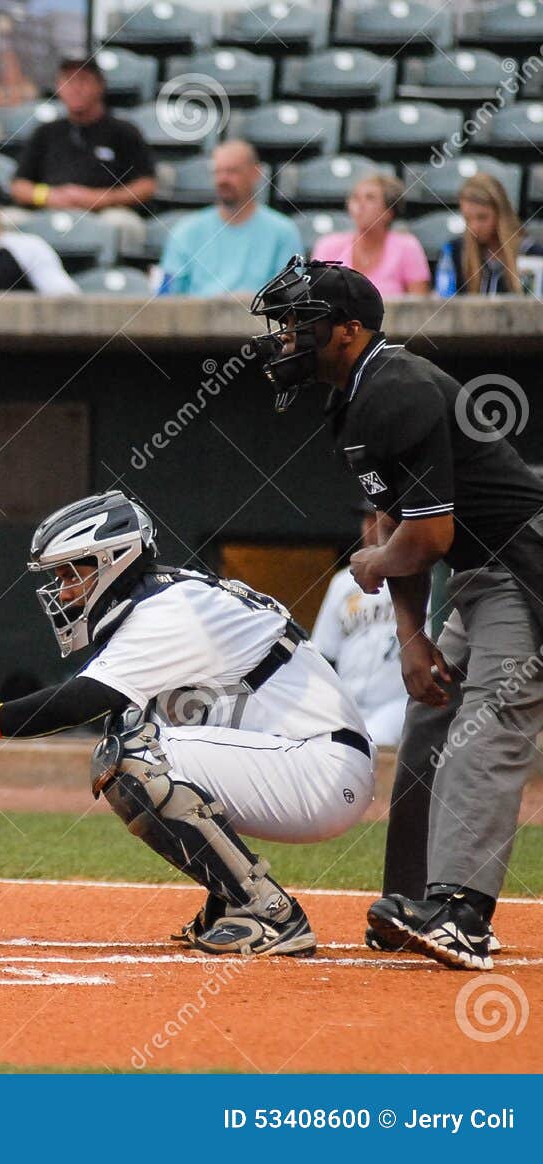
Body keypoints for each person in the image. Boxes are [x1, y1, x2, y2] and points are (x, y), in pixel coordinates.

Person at [0, 491, 373, 958]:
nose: (64, 591)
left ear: (112, 560)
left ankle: (270, 914)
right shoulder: (165, 598)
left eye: (72, 574)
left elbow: (79, 701)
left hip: (320, 768)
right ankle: (231, 896)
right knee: (139, 730)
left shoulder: (170, 610)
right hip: (297, 759)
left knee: (132, 756)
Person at [251, 256, 543, 970]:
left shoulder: (396, 387)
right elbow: (397, 520)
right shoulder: (355, 398)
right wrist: (412, 641)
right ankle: (411, 901)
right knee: (429, 727)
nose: (286, 335)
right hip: (476, 574)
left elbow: (423, 539)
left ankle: (461, 914)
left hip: (524, 567)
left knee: (488, 728)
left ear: (348, 331)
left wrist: (372, 565)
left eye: (301, 322)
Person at [8, 56, 156, 253]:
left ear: (100, 86)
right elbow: (19, 186)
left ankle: (113, 278)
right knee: (6, 220)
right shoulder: (45, 132)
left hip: (105, 213)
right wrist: (48, 196)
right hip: (50, 210)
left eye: (83, 80)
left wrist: (101, 198)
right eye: (68, 80)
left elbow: (146, 185)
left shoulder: (123, 131)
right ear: (59, 87)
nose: (75, 88)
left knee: (123, 225)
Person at [311, 503, 406, 747]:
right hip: (347, 705)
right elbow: (323, 654)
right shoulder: (343, 582)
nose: (370, 528)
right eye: (367, 520)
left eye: (378, 519)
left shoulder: (422, 579)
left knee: (370, 742)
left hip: (399, 703)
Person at [159, 140, 300, 297]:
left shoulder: (283, 232)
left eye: (232, 171)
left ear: (255, 173)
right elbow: (168, 297)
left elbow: (290, 297)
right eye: (218, 172)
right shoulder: (186, 231)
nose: (223, 180)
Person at [311, 173, 430, 297]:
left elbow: (419, 306)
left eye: (370, 198)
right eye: (356, 198)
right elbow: (316, 304)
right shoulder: (327, 246)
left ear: (389, 212)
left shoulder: (408, 247)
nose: (360, 205)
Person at [437, 172, 543, 296]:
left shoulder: (532, 253)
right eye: (468, 219)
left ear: (500, 213)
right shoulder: (454, 251)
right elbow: (444, 302)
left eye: (482, 217)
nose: (474, 227)